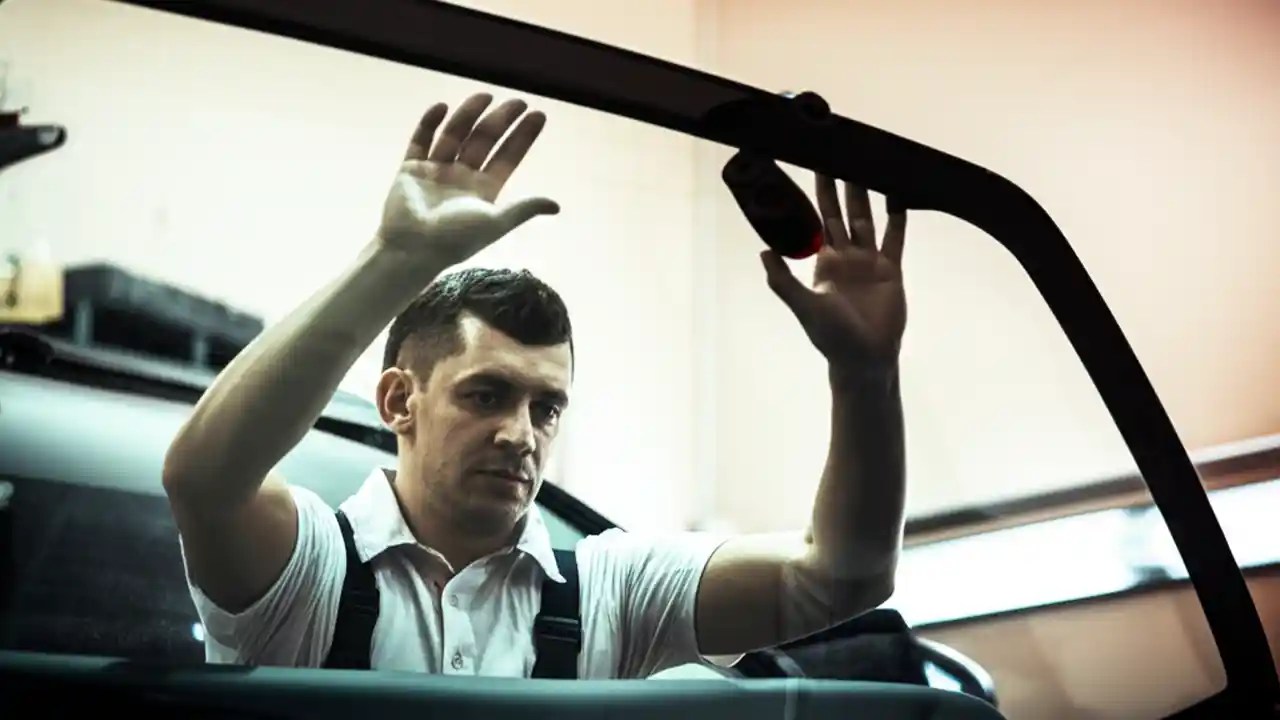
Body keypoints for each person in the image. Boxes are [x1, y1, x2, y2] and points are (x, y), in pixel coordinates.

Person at [162, 92, 909, 679]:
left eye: (546, 407)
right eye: (486, 394)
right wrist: (394, 260)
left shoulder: (613, 592)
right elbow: (203, 478)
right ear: (397, 401)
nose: (522, 433)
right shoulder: (313, 568)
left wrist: (865, 376)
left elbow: (844, 578)